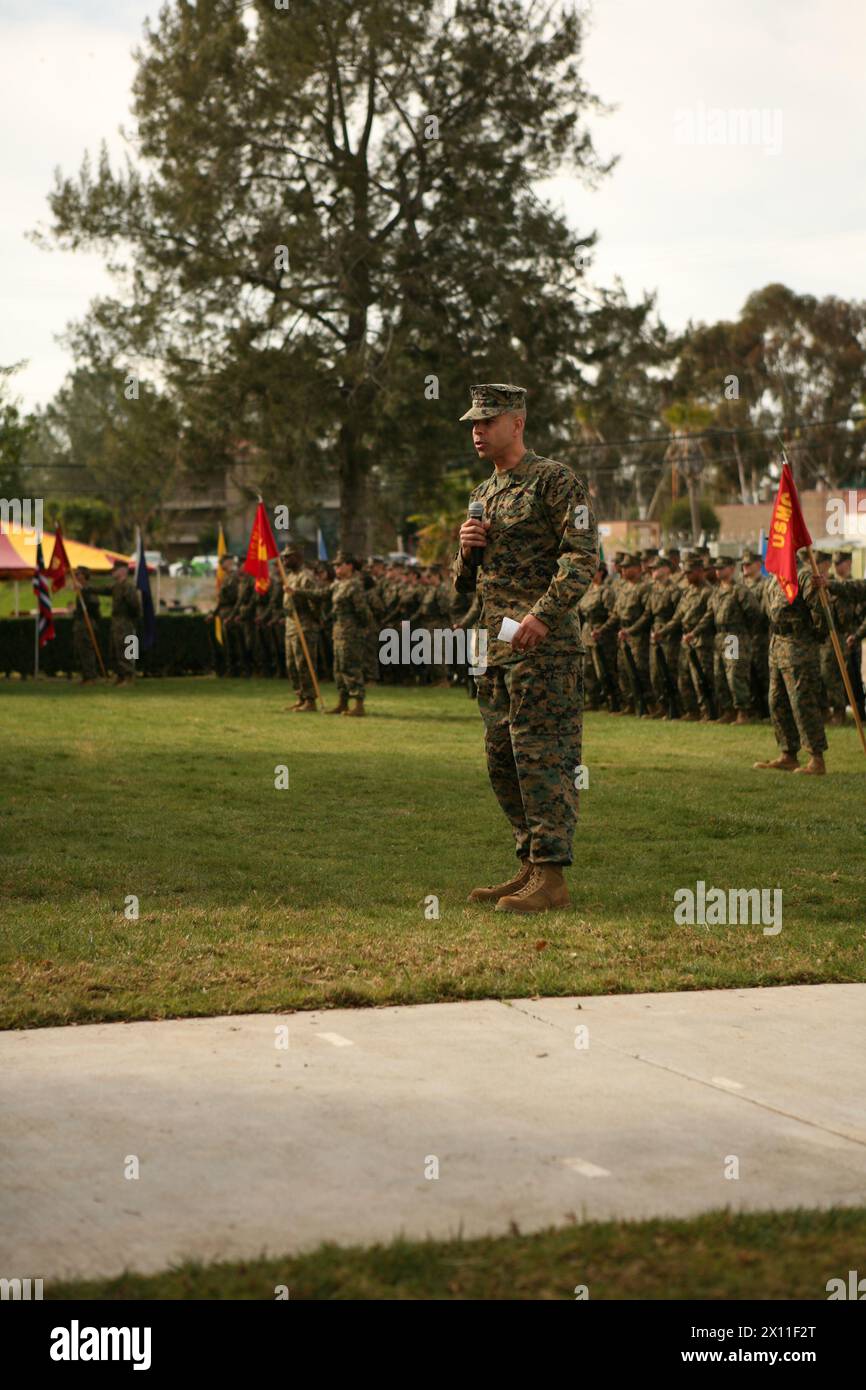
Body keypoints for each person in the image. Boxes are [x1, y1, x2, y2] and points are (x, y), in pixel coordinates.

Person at [454, 381, 597, 914]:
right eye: (473, 422)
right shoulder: (486, 492)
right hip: (495, 650)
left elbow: (582, 557)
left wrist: (542, 615)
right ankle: (529, 865)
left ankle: (553, 878)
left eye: (487, 421)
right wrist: (466, 552)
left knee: (543, 757)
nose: (477, 430)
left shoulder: (555, 481)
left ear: (517, 422)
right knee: (501, 759)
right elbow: (465, 584)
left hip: (545, 650)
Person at [753, 557, 829, 775]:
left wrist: (811, 639)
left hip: (799, 647)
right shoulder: (773, 579)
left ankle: (816, 758)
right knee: (777, 701)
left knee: (803, 703)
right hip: (777, 646)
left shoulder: (803, 575)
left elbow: (821, 613)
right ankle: (788, 754)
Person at [690, 555, 760, 725]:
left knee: (735, 675)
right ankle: (728, 711)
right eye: (717, 568)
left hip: (733, 636)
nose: (718, 571)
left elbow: (754, 614)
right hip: (720, 637)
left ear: (732, 569)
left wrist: (743, 633)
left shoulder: (739, 590)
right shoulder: (716, 591)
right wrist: (695, 632)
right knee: (719, 675)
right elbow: (709, 616)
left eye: (722, 568)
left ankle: (742, 712)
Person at [593, 553, 654, 716]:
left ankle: (649, 705)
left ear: (637, 568)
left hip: (638, 635)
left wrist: (631, 630)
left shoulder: (645, 587)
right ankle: (630, 704)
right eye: (623, 567)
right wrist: (602, 629)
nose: (623, 570)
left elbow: (647, 614)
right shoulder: (624, 587)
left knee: (641, 670)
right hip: (623, 634)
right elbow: (616, 614)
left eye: (627, 567)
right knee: (623, 670)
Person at [282, 542, 325, 711]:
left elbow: (316, 599)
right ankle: (300, 696)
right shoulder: (290, 577)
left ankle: (310, 700)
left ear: (298, 558)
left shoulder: (305, 577)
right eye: (283, 557)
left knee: (304, 664)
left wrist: (313, 619)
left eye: (288, 557)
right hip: (291, 625)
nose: (284, 560)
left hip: (304, 625)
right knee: (291, 664)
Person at [328, 551, 372, 715]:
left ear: (349, 566)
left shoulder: (354, 585)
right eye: (335, 566)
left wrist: (362, 628)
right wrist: (295, 591)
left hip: (350, 633)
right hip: (338, 632)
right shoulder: (338, 584)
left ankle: (359, 705)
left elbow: (362, 611)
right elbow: (321, 594)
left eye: (339, 565)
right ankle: (343, 702)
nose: (336, 568)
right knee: (338, 669)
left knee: (351, 668)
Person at [645, 556, 681, 718]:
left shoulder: (674, 591)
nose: (653, 571)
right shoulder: (653, 589)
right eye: (651, 568)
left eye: (656, 568)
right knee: (655, 673)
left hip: (669, 637)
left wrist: (663, 631)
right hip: (655, 634)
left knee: (669, 672)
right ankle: (662, 706)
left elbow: (678, 617)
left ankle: (674, 707)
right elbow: (647, 614)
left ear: (666, 569)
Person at [110, 560, 141, 686]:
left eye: (115, 569)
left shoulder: (128, 586)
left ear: (123, 571)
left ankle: (129, 677)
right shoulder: (117, 586)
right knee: (117, 650)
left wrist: (131, 619)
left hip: (126, 622)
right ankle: (121, 675)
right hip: (118, 622)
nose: (113, 572)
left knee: (127, 649)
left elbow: (134, 605)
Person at [72, 566, 101, 683]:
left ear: (84, 576)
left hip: (87, 623)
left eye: (78, 574)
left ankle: (91, 676)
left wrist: (84, 593)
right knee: (81, 650)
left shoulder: (88, 589)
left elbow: (95, 604)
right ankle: (85, 675)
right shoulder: (81, 590)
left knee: (87, 651)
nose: (76, 576)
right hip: (80, 624)